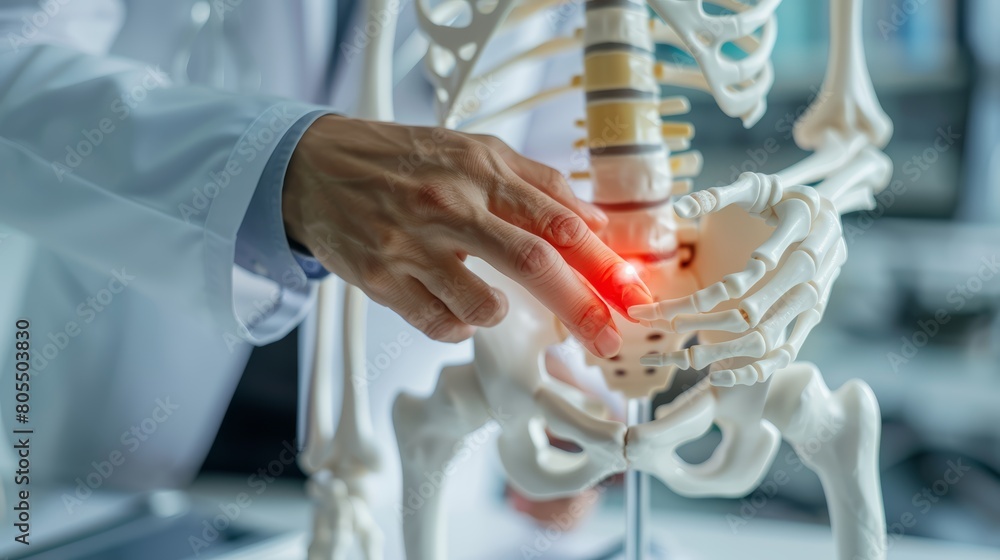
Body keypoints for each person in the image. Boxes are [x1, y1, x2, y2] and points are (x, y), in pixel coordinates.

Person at [0, 0, 650, 550]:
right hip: (117, 452)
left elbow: (570, 165)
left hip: (418, 463)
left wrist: (577, 385)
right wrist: (279, 171)